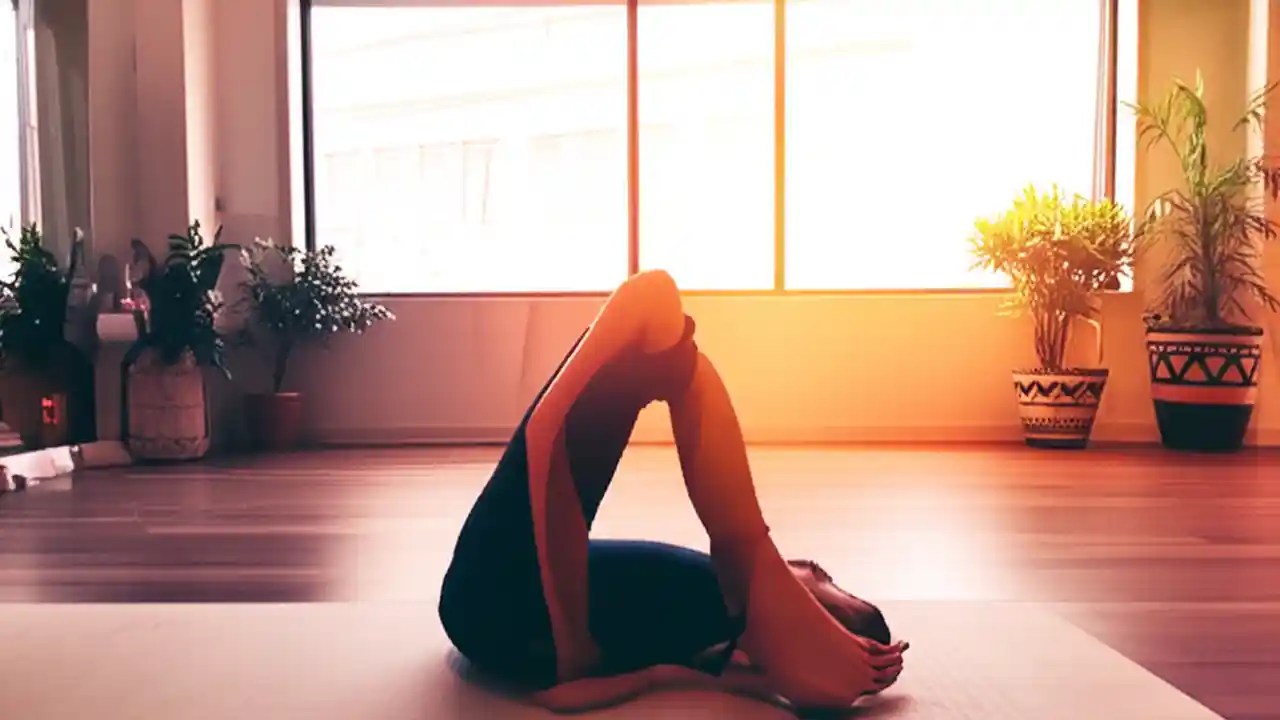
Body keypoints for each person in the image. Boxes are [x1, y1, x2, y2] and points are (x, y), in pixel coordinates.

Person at [439, 270, 908, 713]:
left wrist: (572, 650)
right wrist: (638, 670)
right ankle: (669, 366)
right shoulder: (715, 631)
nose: (817, 571)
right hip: (509, 615)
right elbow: (641, 673)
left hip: (501, 594)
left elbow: (548, 435)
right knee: (670, 348)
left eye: (827, 590)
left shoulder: (724, 623)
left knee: (656, 304)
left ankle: (668, 364)